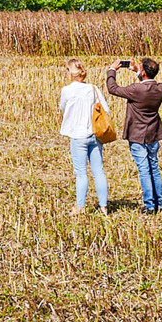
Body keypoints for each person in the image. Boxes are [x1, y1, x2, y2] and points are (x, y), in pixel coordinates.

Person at [107, 57, 162, 214]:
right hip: (154, 133)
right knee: (154, 167)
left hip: (137, 134)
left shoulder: (136, 90)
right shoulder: (161, 88)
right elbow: (149, 84)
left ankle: (149, 205)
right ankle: (159, 203)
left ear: (143, 72)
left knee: (144, 169)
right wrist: (138, 72)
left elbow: (112, 88)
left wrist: (112, 70)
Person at [59, 59, 109, 215]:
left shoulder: (66, 90)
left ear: (70, 73)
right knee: (98, 171)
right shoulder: (93, 88)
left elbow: (63, 107)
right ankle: (104, 206)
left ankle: (80, 206)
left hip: (77, 135)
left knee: (81, 173)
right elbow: (105, 108)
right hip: (95, 134)